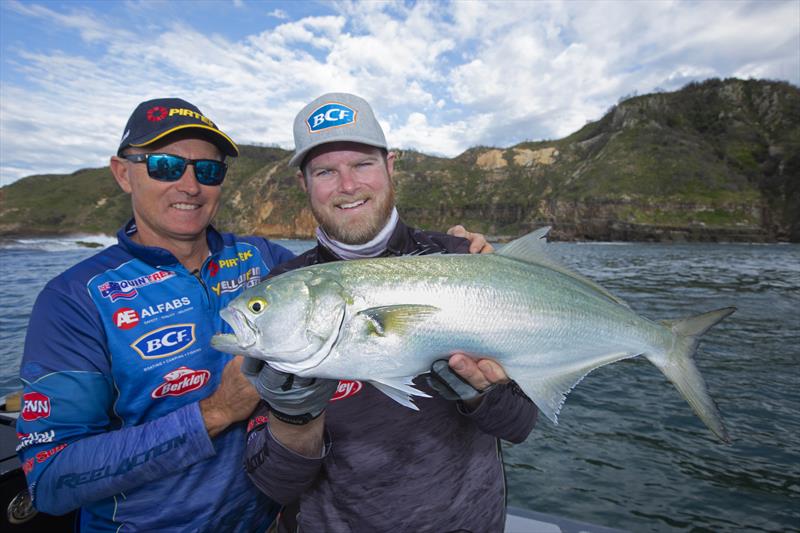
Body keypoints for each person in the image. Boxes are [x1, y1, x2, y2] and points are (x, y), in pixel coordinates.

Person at [15, 97, 489, 532]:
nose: (189, 185)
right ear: (122, 173)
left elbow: (348, 279)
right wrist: (214, 413)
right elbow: (51, 478)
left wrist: (456, 268)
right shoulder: (75, 300)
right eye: (164, 166)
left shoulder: (263, 260)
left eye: (208, 170)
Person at [244, 93, 538, 532]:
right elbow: (274, 484)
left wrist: (480, 393)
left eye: (362, 163)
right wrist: (294, 416)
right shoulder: (284, 293)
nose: (347, 185)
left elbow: (518, 425)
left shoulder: (463, 258)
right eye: (325, 171)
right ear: (305, 184)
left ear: (390, 166)